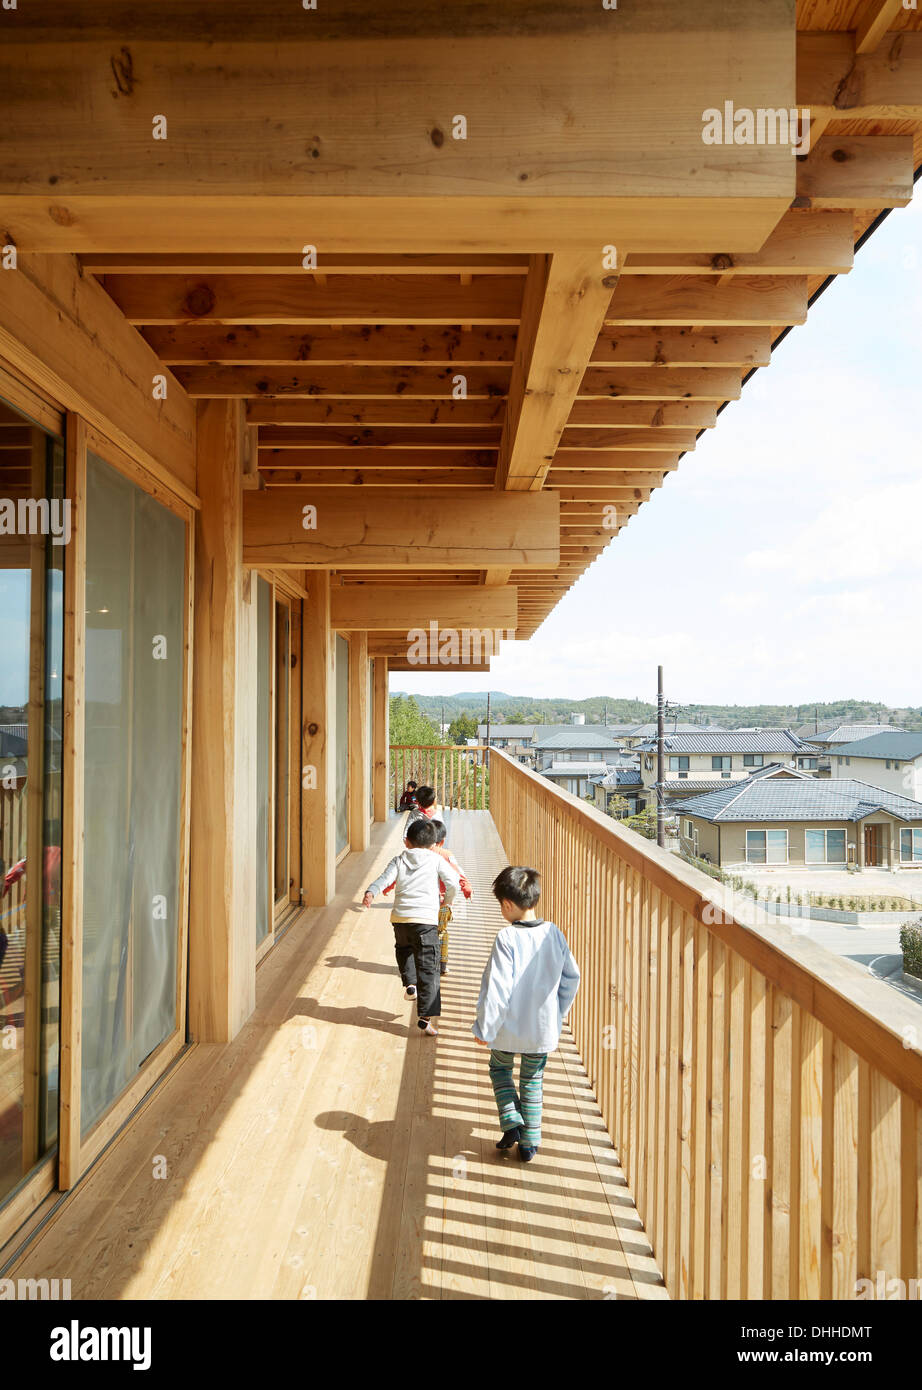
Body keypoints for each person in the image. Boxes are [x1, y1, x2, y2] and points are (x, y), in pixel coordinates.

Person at [472, 865, 580, 1163]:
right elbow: (572, 977)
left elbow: (498, 988)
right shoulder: (554, 933)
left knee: (500, 1071)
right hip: (541, 1029)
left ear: (508, 904)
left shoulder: (507, 938)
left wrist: (485, 1028)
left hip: (506, 1031)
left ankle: (511, 1120)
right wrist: (557, 1013)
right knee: (533, 1080)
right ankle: (529, 1143)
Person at [362, 818, 460, 1037]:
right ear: (434, 843)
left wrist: (371, 892)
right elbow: (452, 882)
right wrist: (447, 901)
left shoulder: (399, 860)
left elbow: (384, 879)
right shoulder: (436, 860)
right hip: (425, 922)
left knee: (404, 949)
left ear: (406, 842)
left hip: (401, 920)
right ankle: (425, 1019)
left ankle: (410, 985)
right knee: (429, 969)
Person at [428, 819, 472, 976]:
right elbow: (458, 872)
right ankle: (442, 963)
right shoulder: (447, 855)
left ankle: (423, 961)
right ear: (443, 840)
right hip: (443, 903)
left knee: (425, 931)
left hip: (424, 903)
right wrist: (466, 887)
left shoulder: (421, 854)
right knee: (441, 932)